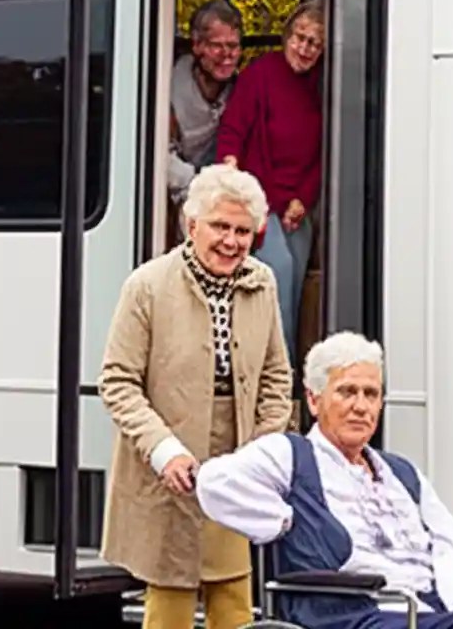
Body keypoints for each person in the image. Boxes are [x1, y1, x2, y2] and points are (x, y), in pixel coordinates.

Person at [195, 331, 453, 629]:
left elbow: (449, 543)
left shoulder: (400, 472)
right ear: (313, 400)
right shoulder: (289, 454)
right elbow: (213, 483)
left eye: (371, 394)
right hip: (351, 612)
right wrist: (282, 519)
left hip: (422, 609)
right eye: (347, 392)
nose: (361, 406)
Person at [97, 163, 294, 629]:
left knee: (233, 599)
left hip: (235, 463)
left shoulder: (261, 282)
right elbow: (118, 381)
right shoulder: (147, 285)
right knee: (170, 598)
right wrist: (165, 452)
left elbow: (276, 376)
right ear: (191, 226)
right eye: (220, 227)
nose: (231, 241)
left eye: (243, 231)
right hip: (168, 467)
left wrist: (261, 453)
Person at [215, 0, 326, 364]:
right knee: (277, 278)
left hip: (298, 206)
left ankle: (287, 374)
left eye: (314, 42)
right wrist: (228, 171)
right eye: (298, 36)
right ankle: (277, 375)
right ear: (286, 34)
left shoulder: (323, 87)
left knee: (294, 292)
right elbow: (232, 129)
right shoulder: (260, 74)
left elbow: (325, 153)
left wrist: (303, 200)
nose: (304, 48)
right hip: (260, 201)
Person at [167, 0, 243, 244]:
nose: (227, 56)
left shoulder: (240, 91)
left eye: (233, 46)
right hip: (176, 190)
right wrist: (197, 182)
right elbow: (158, 160)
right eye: (217, 46)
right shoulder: (165, 89)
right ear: (197, 46)